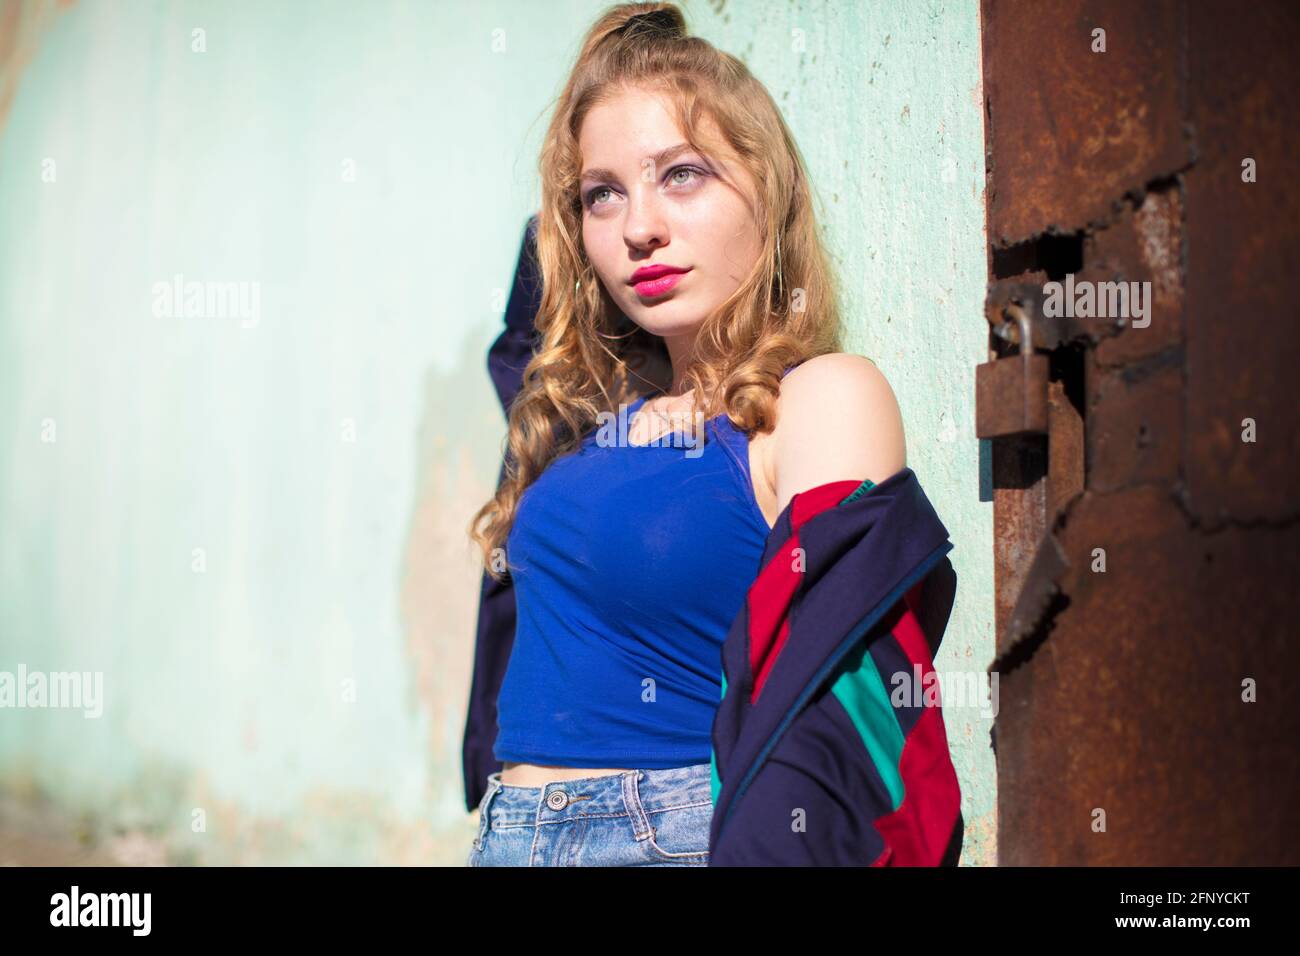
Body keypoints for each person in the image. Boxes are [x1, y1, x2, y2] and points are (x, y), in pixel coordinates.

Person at [465, 1, 911, 866]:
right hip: (505, 835)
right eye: (604, 194)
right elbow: (530, 332)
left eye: (682, 175)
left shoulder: (818, 400)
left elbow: (842, 712)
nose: (639, 228)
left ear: (768, 187)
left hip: (672, 836)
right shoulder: (584, 426)